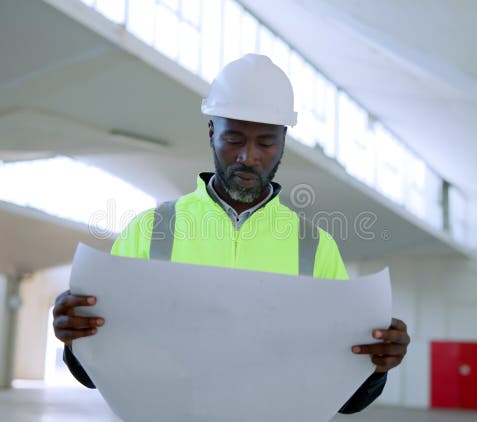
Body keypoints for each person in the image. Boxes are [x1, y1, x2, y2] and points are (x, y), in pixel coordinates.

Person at [53, 54, 410, 415]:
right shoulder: (150, 231)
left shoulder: (316, 248)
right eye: (234, 138)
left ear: (283, 141)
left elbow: (345, 397)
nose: (248, 157)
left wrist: (377, 367)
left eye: (265, 142)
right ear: (212, 132)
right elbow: (101, 372)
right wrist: (76, 340)